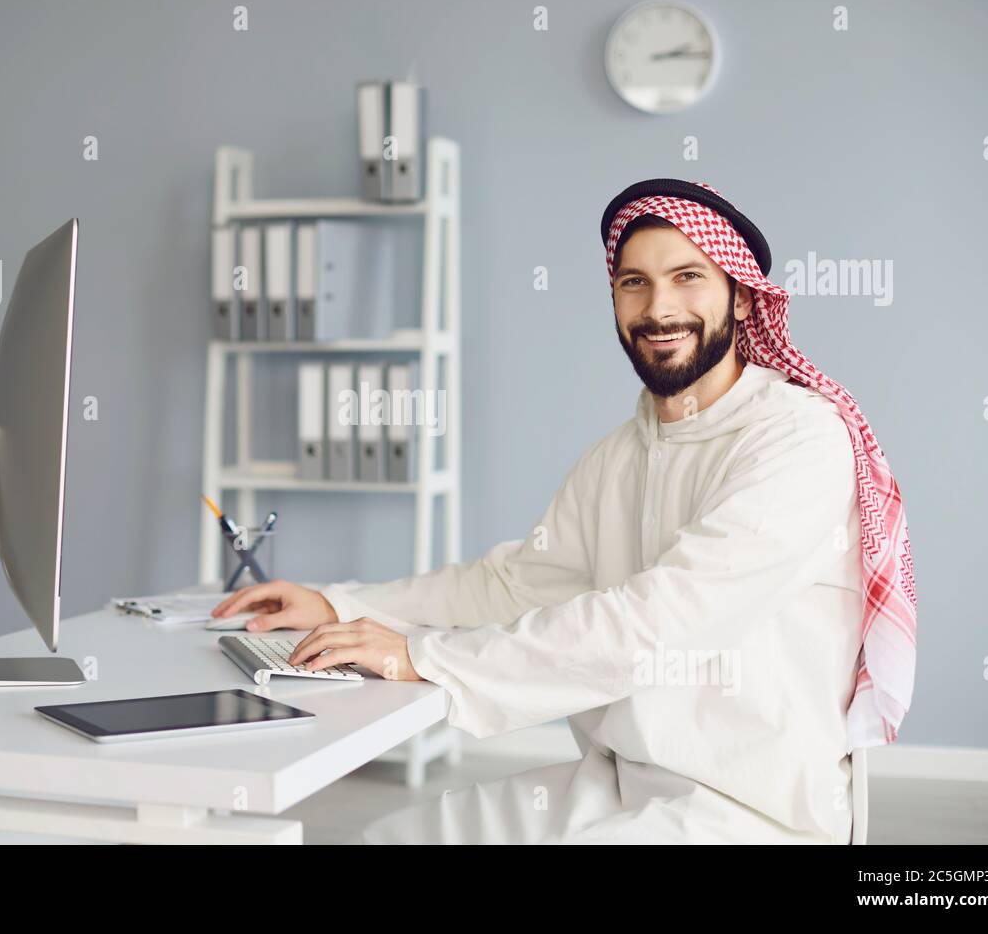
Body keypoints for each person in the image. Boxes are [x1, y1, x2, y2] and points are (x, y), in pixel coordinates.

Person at [210, 179, 917, 844]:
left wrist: (423, 657)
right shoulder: (620, 455)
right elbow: (513, 585)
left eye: (688, 277)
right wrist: (337, 605)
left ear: (740, 299)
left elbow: (661, 622)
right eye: (633, 283)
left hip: (751, 813)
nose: (658, 308)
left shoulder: (797, 440)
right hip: (616, 783)